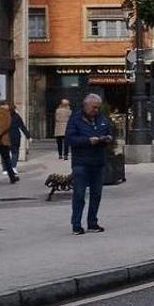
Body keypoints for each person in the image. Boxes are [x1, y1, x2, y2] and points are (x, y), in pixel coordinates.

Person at [66, 93, 114, 235]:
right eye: (94, 107)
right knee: (79, 194)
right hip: (81, 162)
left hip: (97, 161)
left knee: (96, 194)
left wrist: (107, 138)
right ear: (86, 105)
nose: (96, 110)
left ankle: (92, 222)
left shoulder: (102, 119)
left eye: (98, 108)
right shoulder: (75, 119)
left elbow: (109, 131)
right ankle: (76, 224)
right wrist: (87, 140)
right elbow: (70, 138)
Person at [0, 102, 18, 184]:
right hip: (2, 140)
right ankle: (12, 177)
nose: (8, 106)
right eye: (7, 104)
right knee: (7, 159)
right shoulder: (6, 114)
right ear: (3, 105)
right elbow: (6, 125)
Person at [8, 104, 31, 170]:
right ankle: (13, 167)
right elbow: (22, 127)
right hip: (15, 136)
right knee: (15, 152)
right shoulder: (16, 116)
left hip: (6, 136)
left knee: (5, 153)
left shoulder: (4, 116)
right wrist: (28, 136)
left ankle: (6, 169)